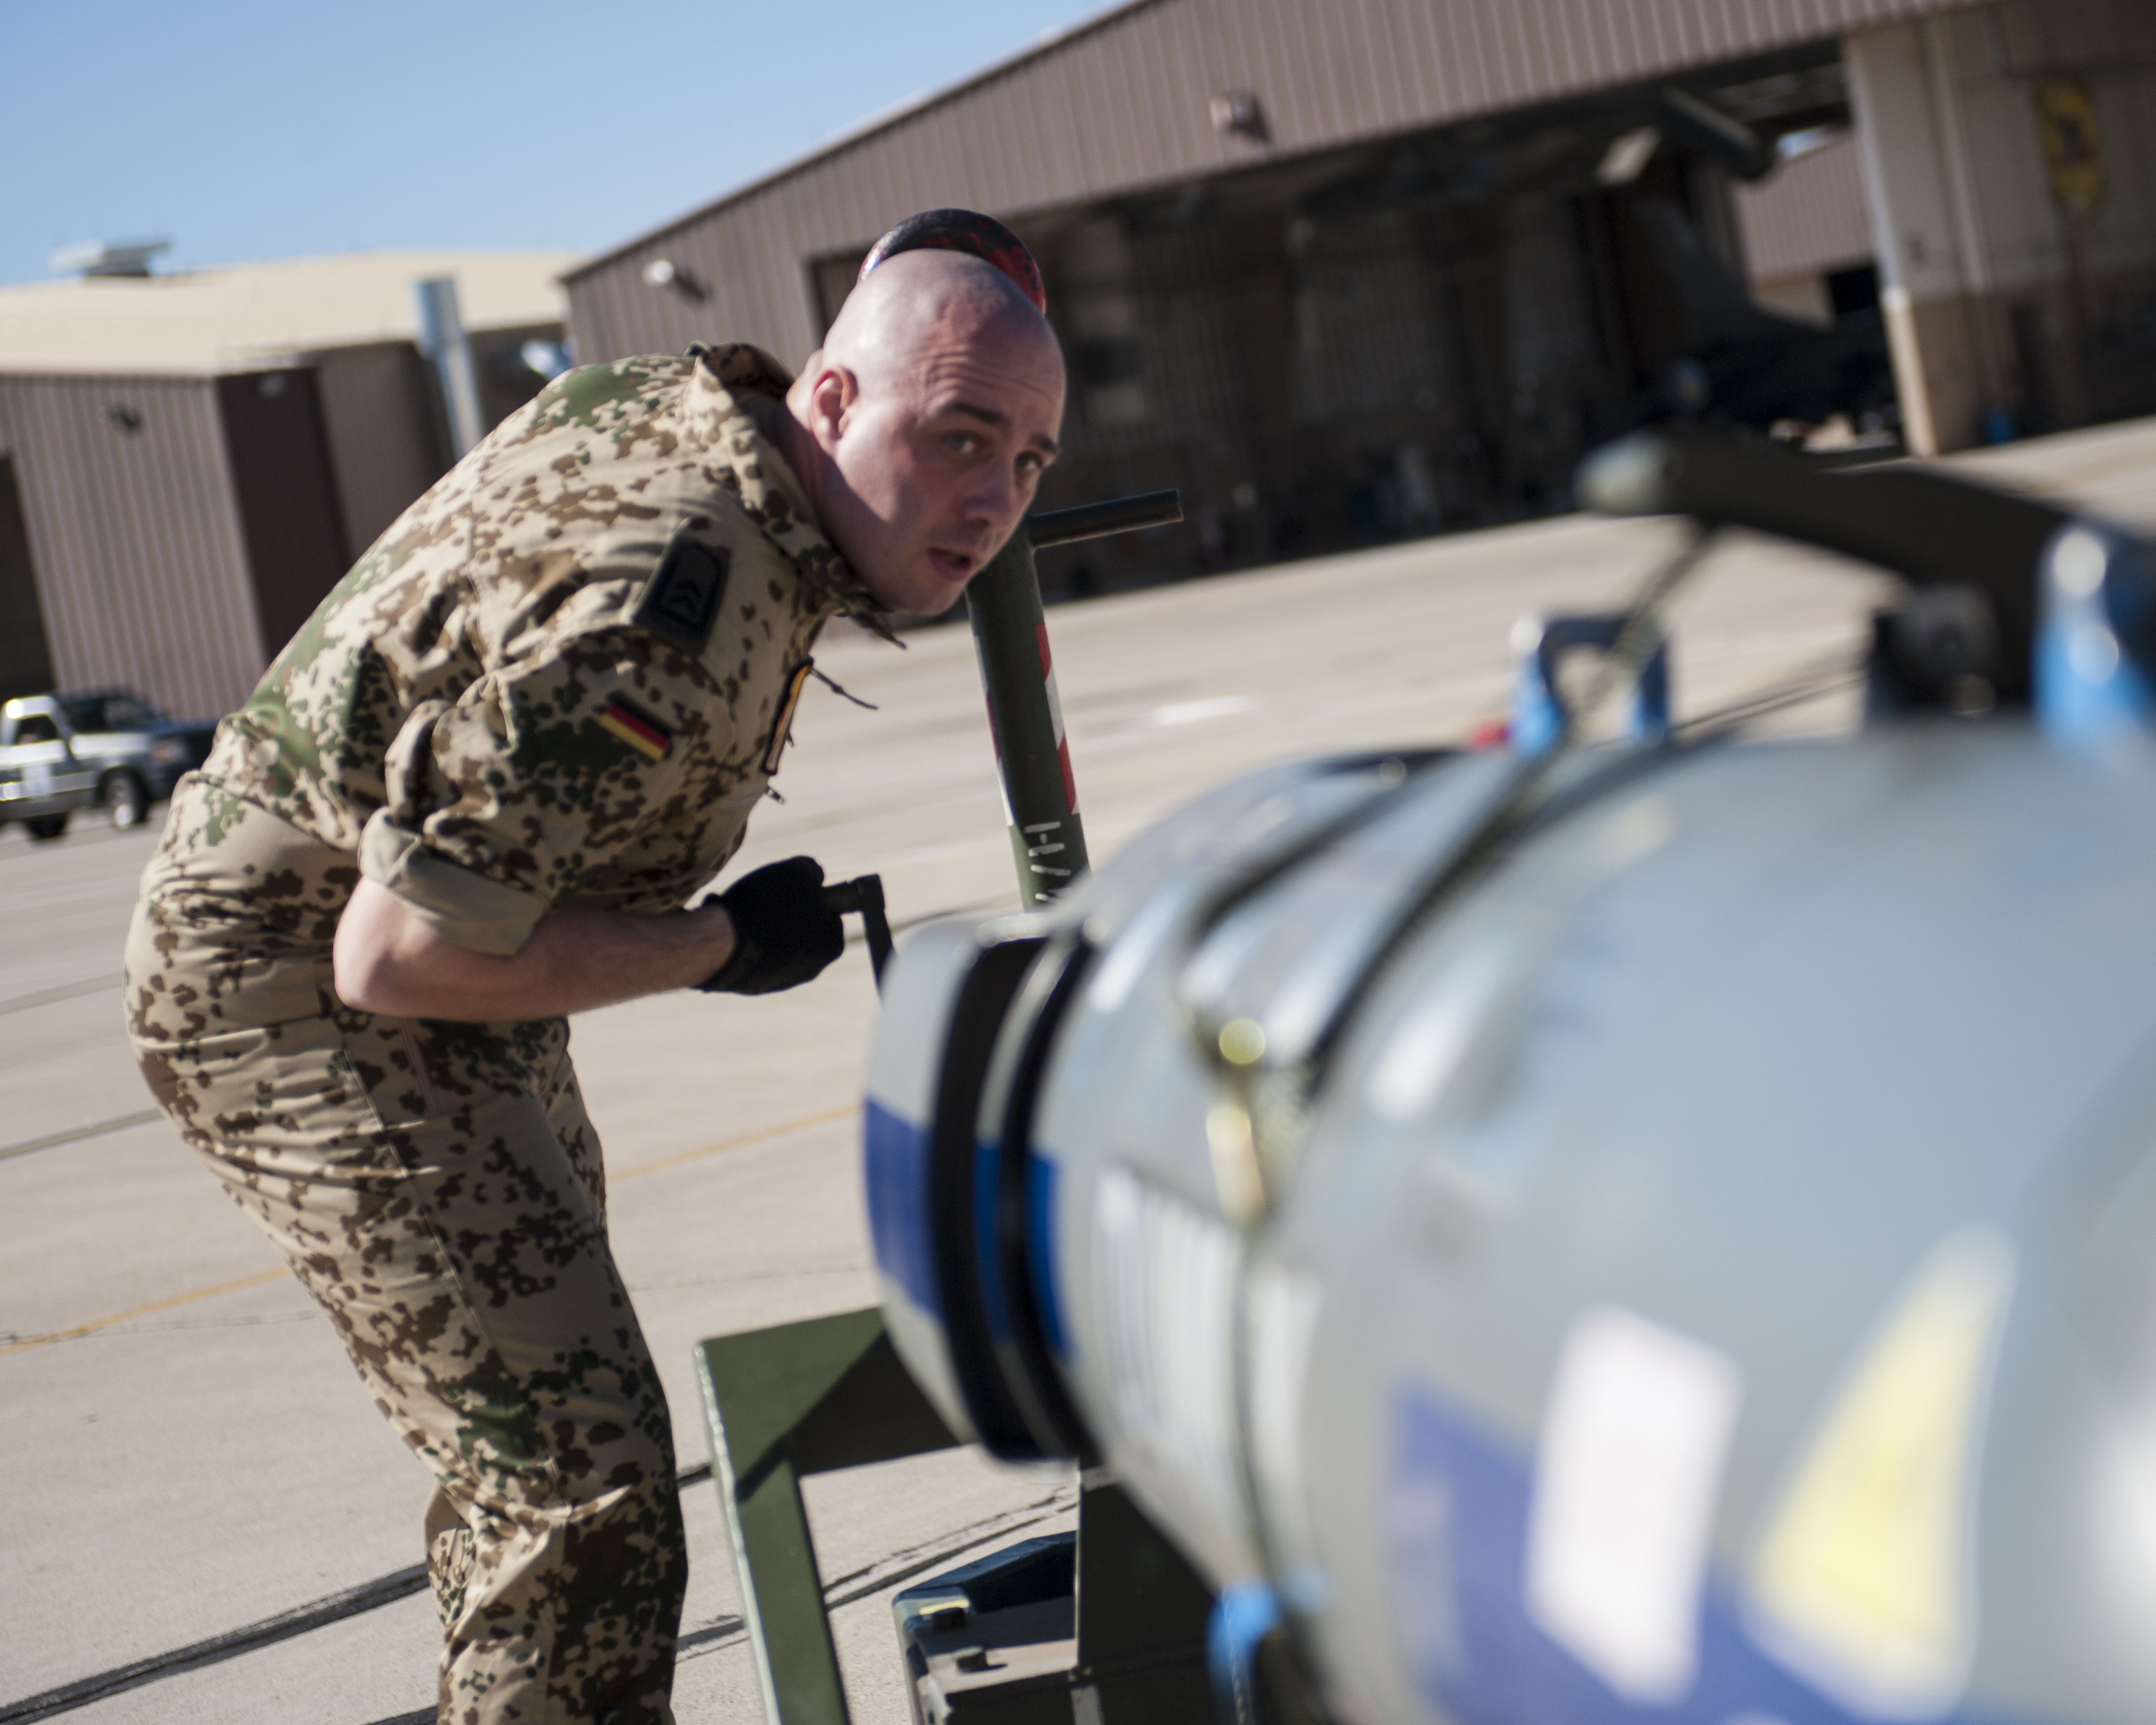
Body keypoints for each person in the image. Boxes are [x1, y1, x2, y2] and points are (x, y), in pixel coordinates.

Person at [122, 214, 1065, 1725]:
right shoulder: (668, 608)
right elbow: (400, 951)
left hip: (439, 944)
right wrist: (719, 942)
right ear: (828, 400)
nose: (992, 500)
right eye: (956, 437)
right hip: (301, 988)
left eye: (1026, 461)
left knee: (537, 1432)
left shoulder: (721, 426)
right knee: (577, 1473)